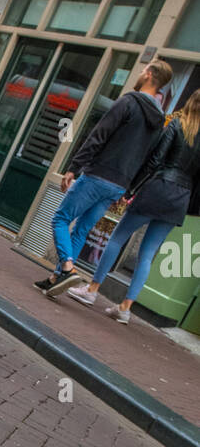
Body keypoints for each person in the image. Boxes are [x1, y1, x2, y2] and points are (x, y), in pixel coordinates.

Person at [37, 59, 173, 296]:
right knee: (82, 229)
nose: (140, 73)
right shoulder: (160, 119)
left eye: (143, 70)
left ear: (150, 74)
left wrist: (74, 167)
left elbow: (98, 136)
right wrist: (129, 190)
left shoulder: (128, 102)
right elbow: (151, 160)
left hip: (98, 175)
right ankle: (56, 278)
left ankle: (67, 269)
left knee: (60, 218)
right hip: (119, 186)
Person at [66, 90, 200, 323]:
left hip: (158, 189)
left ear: (190, 102)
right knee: (148, 253)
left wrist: (131, 190)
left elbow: (155, 160)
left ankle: (92, 290)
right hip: (180, 198)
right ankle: (125, 308)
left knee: (118, 238)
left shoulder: (177, 124)